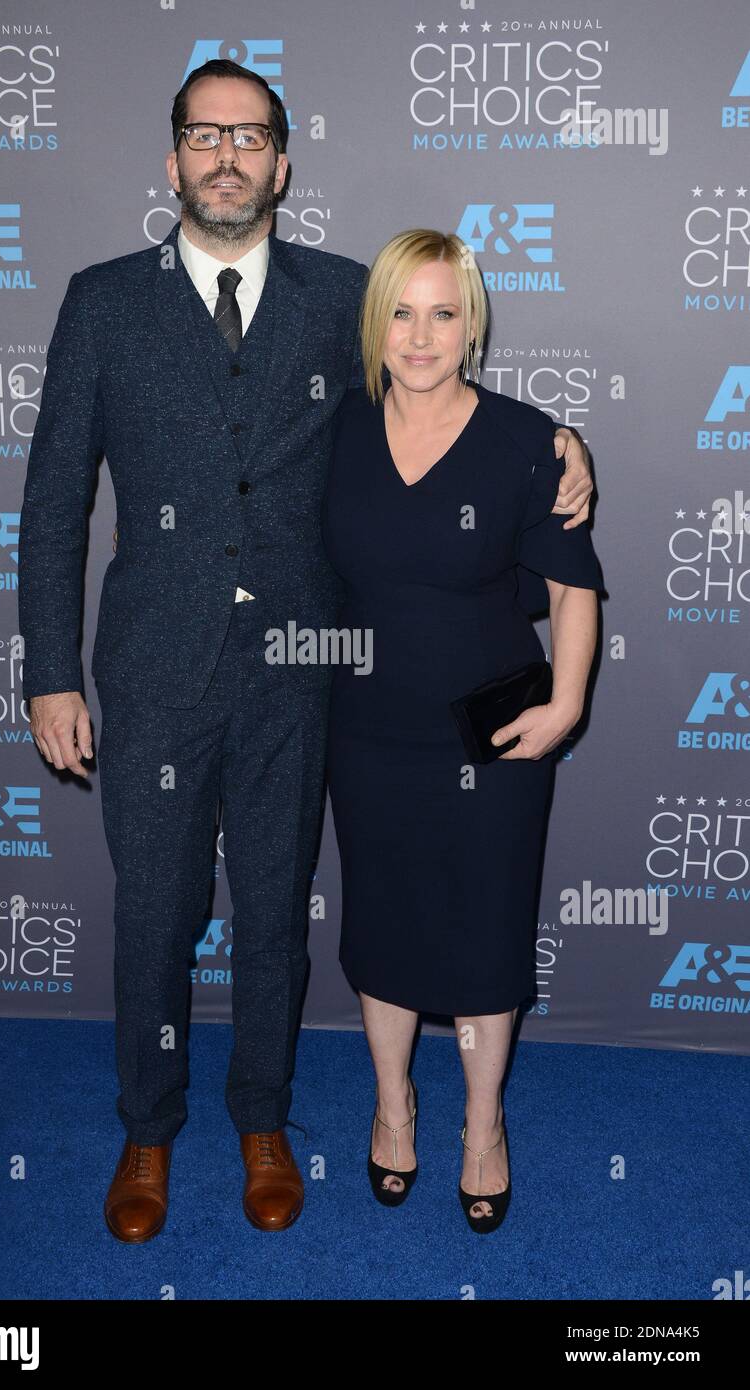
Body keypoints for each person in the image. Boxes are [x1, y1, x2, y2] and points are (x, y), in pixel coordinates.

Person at [17, 60, 594, 1243]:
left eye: (251, 136)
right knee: (159, 912)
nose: (226, 156)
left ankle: (264, 1119)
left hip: (304, 666)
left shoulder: (346, 295)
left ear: (284, 162)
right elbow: (50, 502)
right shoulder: (101, 301)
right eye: (203, 134)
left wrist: (563, 441)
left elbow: (446, 383)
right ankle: (147, 1125)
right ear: (171, 158)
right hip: (153, 667)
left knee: (278, 907)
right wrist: (49, 668)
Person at [321, 229, 604, 1232]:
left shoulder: (529, 441)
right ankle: (392, 1106)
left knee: (485, 938)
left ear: (471, 322)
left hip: (494, 735)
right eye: (401, 310)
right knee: (384, 923)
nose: (420, 333)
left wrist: (565, 705)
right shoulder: (334, 430)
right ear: (376, 321)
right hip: (363, 731)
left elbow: (572, 591)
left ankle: (482, 1125)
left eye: (443, 311)